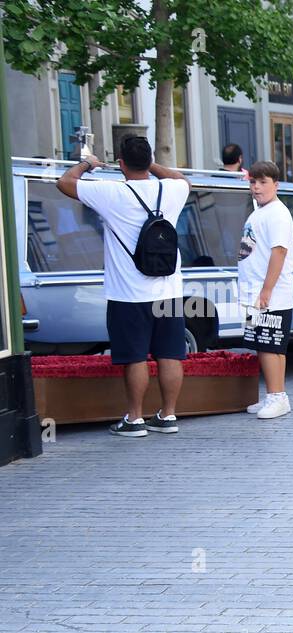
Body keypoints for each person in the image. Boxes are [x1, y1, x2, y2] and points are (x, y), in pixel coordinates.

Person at [56, 136, 190, 437]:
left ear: (121, 164)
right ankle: (168, 416)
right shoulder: (172, 190)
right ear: (149, 160)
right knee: (170, 354)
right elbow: (181, 178)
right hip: (169, 290)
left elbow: (64, 183)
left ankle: (134, 418)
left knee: (135, 356)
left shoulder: (112, 192)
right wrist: (151, 164)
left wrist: (87, 164)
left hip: (128, 294)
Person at [239, 160, 293, 419]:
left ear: (276, 185)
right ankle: (275, 394)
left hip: (271, 294)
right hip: (255, 293)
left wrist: (266, 289)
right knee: (263, 344)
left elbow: (279, 251)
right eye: (253, 182)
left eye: (263, 182)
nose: (257, 187)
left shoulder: (277, 213)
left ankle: (277, 397)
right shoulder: (259, 212)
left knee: (271, 345)